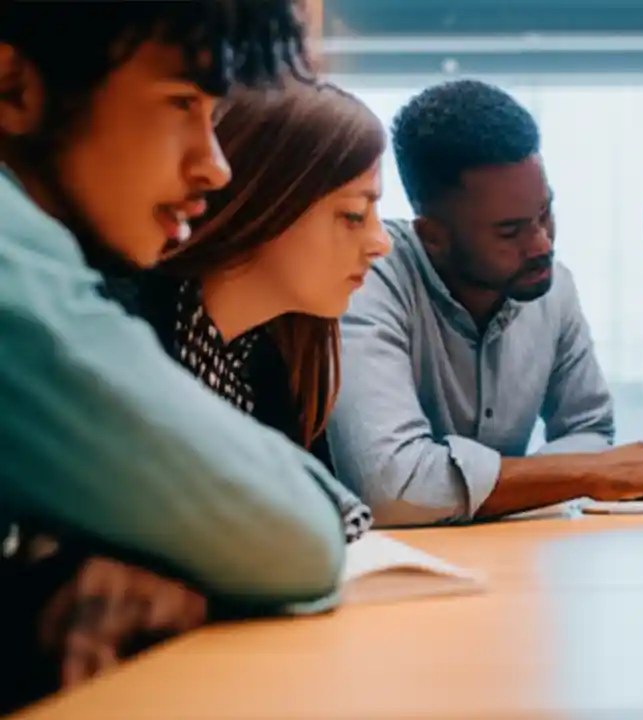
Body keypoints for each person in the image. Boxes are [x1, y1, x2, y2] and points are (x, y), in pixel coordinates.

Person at [0, 0, 347, 706]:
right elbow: (295, 531)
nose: (215, 166)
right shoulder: (14, 262)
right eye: (180, 103)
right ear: (13, 88)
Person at [328, 80, 643, 526]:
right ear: (433, 237)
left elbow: (588, 431)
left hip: (507, 559)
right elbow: (389, 487)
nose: (541, 244)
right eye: (510, 231)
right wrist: (578, 473)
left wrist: (555, 475)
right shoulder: (366, 282)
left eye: (545, 213)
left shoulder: (553, 288)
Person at [107, 81, 391, 542]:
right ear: (267, 203)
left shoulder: (276, 358)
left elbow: (322, 517)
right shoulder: (121, 324)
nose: (382, 242)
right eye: (355, 215)